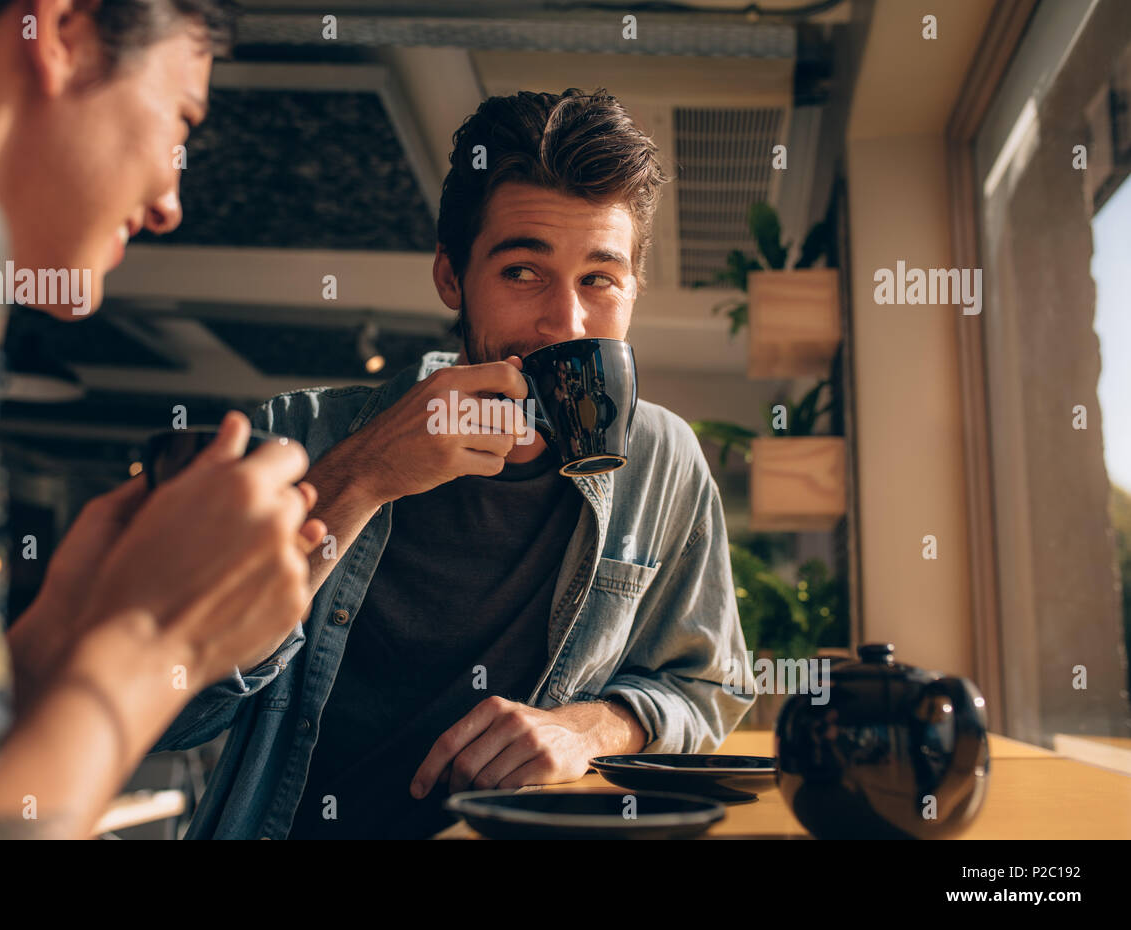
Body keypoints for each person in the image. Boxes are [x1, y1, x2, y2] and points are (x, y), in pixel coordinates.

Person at [155, 89, 755, 840]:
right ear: (451, 278)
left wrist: (591, 728)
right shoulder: (301, 436)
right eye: (522, 273)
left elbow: (706, 687)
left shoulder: (662, 461)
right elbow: (175, 710)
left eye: (599, 280)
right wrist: (359, 478)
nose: (563, 322)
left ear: (630, 291)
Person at [0, 0, 324, 839]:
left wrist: (68, 626)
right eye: (182, 118)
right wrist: (159, 640)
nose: (171, 199)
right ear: (62, 33)